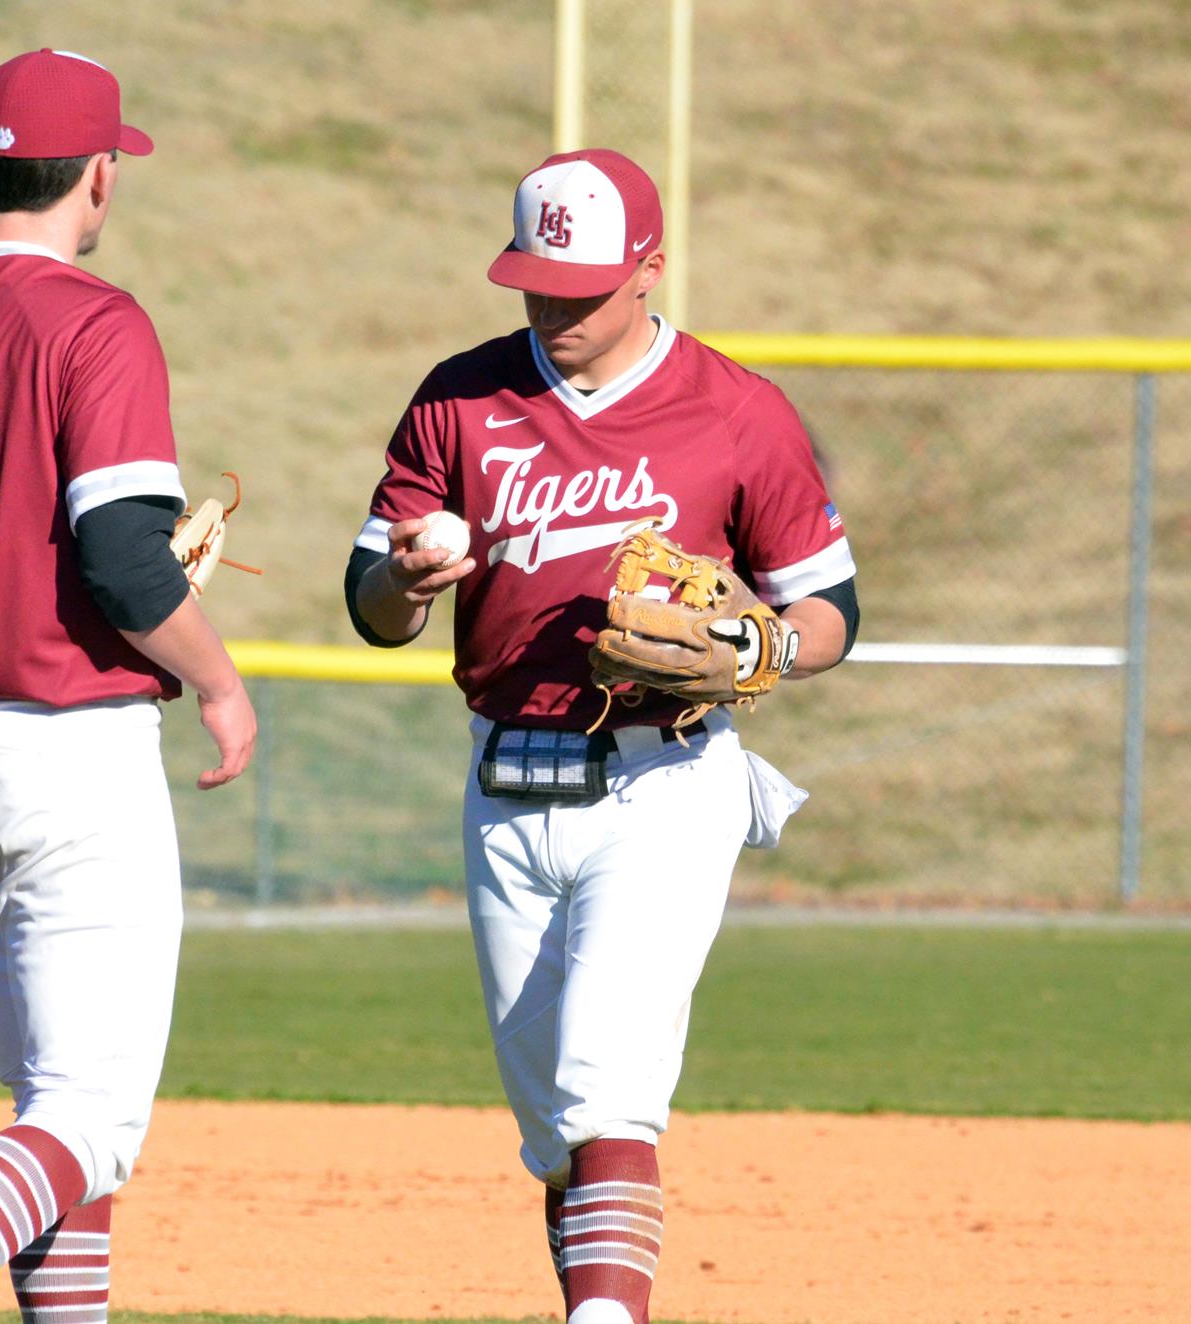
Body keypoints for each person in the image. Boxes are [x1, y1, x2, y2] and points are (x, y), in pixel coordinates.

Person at [344, 148, 859, 1324]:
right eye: (534, 282)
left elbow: (831, 603)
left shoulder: (735, 408)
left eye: (581, 287)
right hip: (504, 781)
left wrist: (768, 648)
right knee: (552, 1134)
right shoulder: (457, 397)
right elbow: (369, 604)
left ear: (650, 268)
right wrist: (410, 582)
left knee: (603, 1092)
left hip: (664, 779)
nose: (554, 310)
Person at [0, 49, 256, 1324]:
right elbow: (128, 561)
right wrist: (223, 682)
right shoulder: (93, 320)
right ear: (98, 174)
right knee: (88, 1119)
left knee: (54, 1130)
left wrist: (11, 573)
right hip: (69, 751)